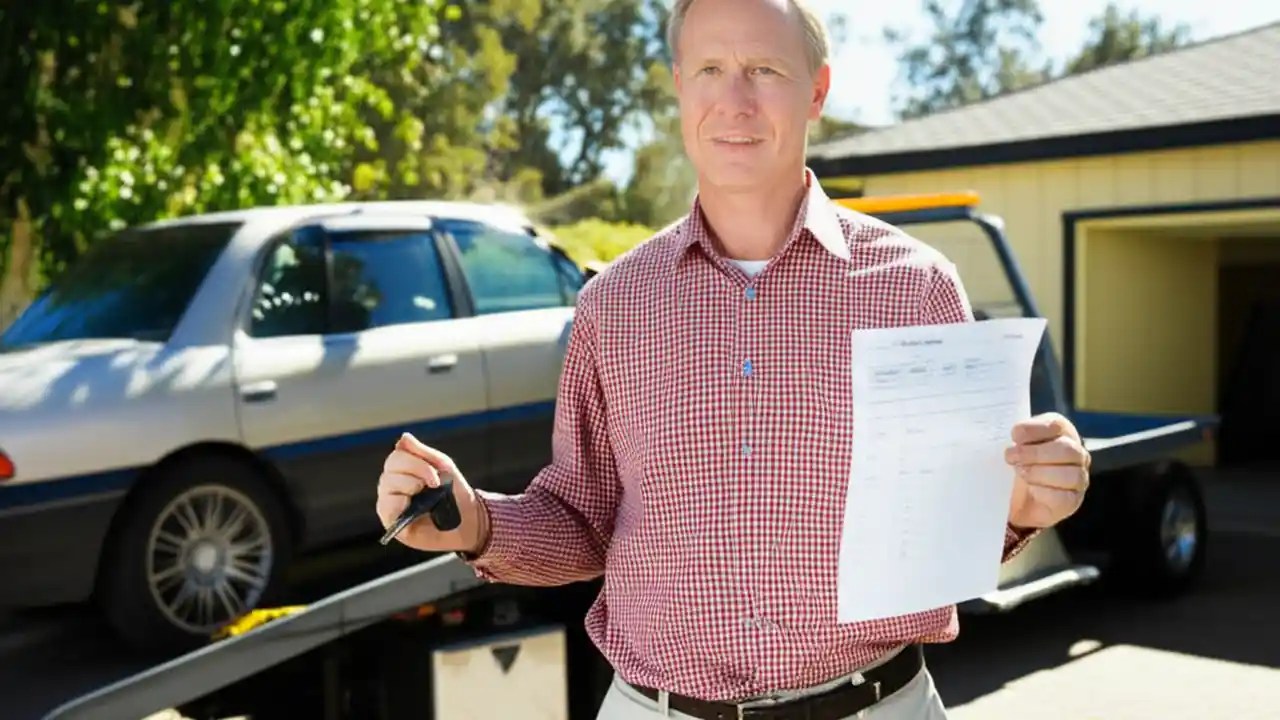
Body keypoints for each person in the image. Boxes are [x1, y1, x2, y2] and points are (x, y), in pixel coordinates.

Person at [376, 0, 1092, 717]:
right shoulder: (613, 304)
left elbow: (946, 524)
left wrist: (1023, 504)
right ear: (680, 86)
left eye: (765, 69)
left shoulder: (915, 287)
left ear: (817, 90)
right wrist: (474, 521)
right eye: (711, 69)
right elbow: (582, 518)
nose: (735, 100)